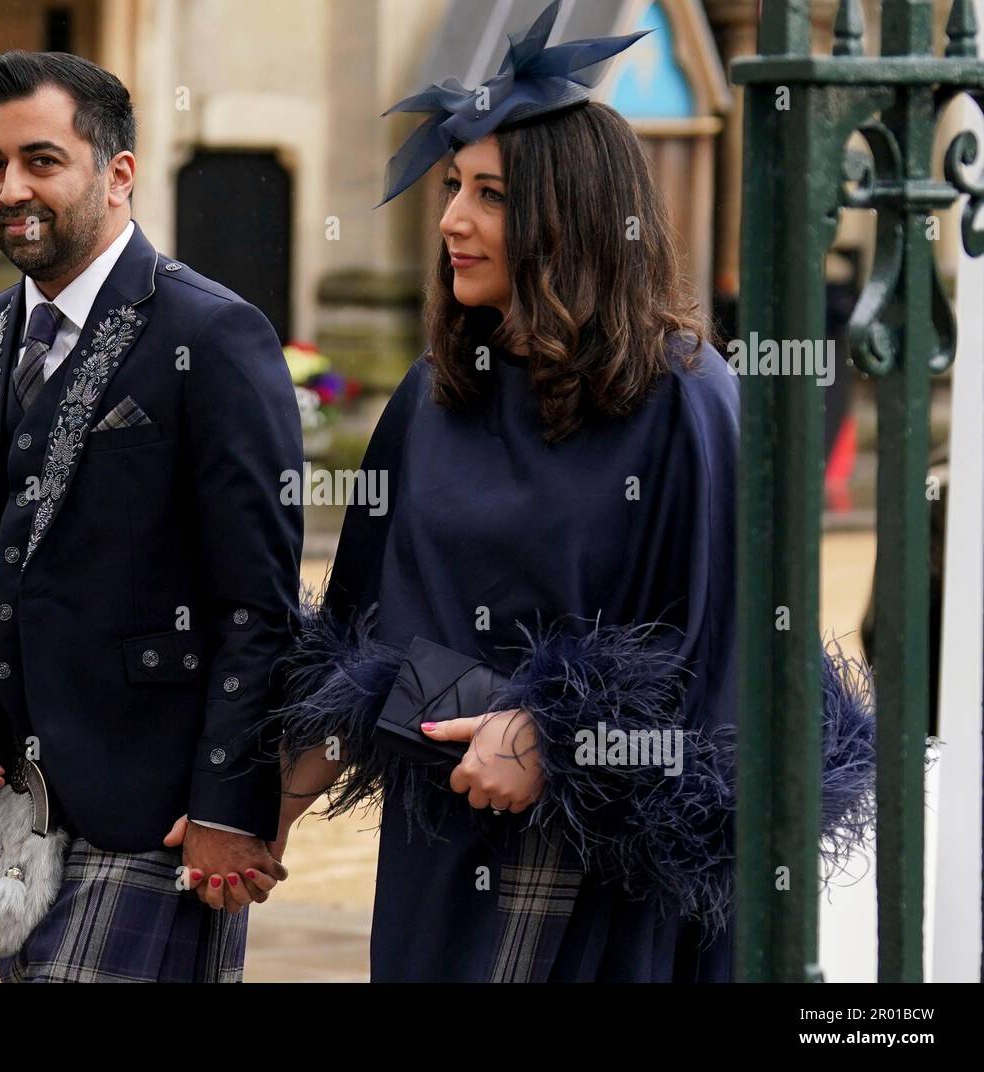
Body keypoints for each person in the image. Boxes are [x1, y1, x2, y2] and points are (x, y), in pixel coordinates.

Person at [274, 0, 876, 983]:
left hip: (616, 879)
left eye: (492, 195)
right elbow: (356, 640)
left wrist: (558, 738)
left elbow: (725, 673)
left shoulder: (688, 399)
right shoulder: (431, 394)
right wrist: (260, 814)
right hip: (442, 861)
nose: (453, 218)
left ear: (574, 217)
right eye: (454, 186)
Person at [0, 50, 302, 983]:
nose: (11, 189)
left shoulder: (214, 334)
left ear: (118, 174)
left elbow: (260, 604)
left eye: (41, 161)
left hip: (160, 823)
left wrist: (230, 805)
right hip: (11, 821)